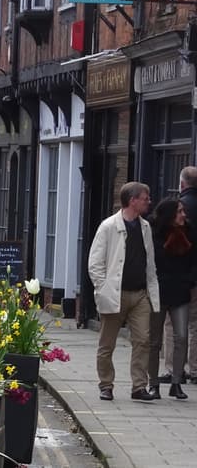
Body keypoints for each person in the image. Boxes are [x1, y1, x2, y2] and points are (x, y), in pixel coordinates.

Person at [88, 181, 160, 402]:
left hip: (140, 294)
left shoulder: (146, 227)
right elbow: (95, 263)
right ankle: (106, 385)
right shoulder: (108, 226)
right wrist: (103, 287)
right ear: (132, 200)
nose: (149, 201)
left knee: (143, 340)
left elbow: (150, 263)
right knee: (107, 343)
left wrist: (151, 291)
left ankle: (139, 386)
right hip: (115, 293)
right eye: (145, 198)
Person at [148, 198, 194, 399]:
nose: (184, 215)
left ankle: (176, 382)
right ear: (169, 215)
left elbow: (194, 262)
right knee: (154, 341)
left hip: (180, 292)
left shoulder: (190, 232)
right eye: (180, 211)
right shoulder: (153, 232)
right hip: (158, 292)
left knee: (181, 337)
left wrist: (189, 281)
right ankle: (153, 384)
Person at [165, 167, 197, 384]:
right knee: (195, 323)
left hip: (178, 276)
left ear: (182, 184)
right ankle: (195, 369)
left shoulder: (176, 208)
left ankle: (174, 369)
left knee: (173, 324)